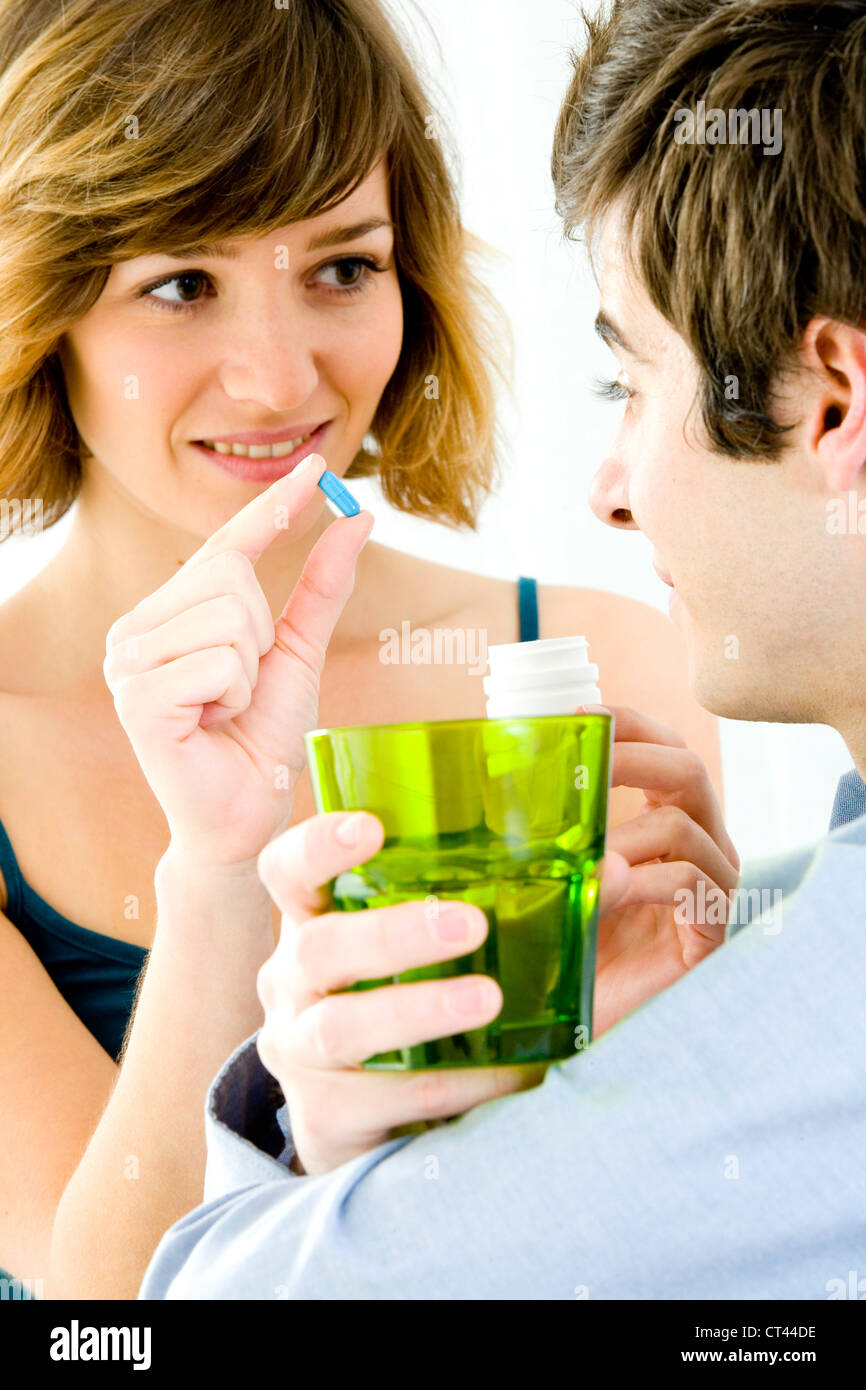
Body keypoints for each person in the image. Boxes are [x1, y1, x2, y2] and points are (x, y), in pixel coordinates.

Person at [138, 0, 866, 1300]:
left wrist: (319, 1135)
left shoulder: (809, 1007)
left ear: (834, 404)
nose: (608, 492)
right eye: (184, 282)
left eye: (629, 383)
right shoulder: (780, 922)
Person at [0, 0, 723, 1299]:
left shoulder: (599, 660)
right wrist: (216, 872)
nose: (282, 380)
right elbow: (104, 1313)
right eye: (181, 284)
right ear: (36, 299)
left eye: (342, 268)